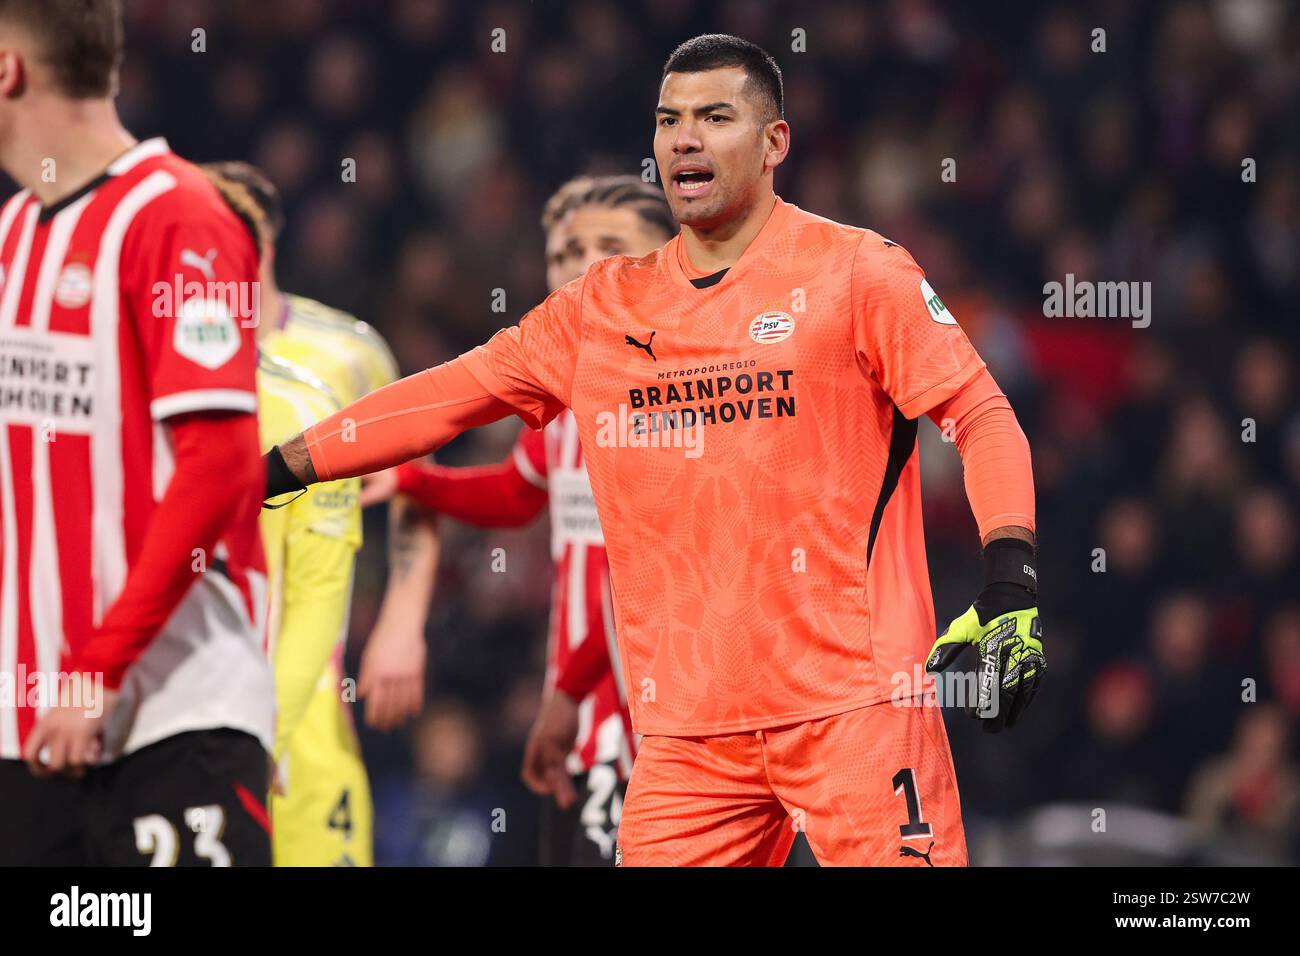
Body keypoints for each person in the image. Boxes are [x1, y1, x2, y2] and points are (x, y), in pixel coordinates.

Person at [264, 34, 1045, 866]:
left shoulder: (858, 273)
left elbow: (981, 414)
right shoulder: (601, 308)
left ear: (775, 143)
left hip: (855, 705)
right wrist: (279, 468)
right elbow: (446, 395)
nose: (684, 139)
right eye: (669, 120)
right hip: (686, 737)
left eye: (715, 117)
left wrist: (1012, 581)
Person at [0, 0, 271, 865]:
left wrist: (97, 669)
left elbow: (218, 468)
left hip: (170, 719)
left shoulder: (180, 217)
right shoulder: (9, 237)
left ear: (7, 70)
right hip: (29, 736)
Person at [364, 174, 674, 865]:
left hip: (657, 713)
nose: (579, 267)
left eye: (609, 247)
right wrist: (416, 477)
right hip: (582, 712)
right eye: (563, 252)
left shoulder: (676, 400)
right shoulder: (563, 395)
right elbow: (517, 493)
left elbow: (643, 578)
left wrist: (565, 693)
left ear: (668, 260)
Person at [202, 162, 424, 866]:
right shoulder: (147, 365)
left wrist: (401, 619)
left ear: (265, 240)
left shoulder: (347, 356)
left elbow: (415, 489)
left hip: (313, 676)